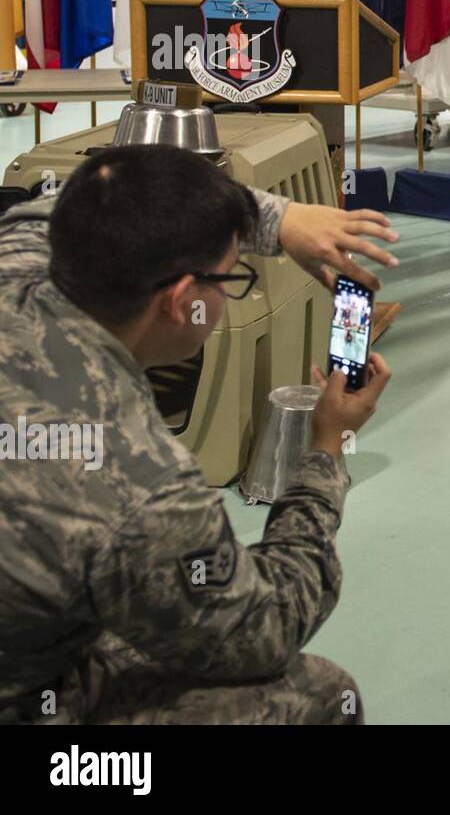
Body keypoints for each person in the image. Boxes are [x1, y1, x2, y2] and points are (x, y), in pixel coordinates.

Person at [0, 145, 399, 723]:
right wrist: (326, 448)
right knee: (317, 696)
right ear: (183, 302)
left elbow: (64, 203)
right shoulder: (139, 482)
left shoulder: (20, 253)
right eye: (232, 275)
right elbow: (266, 624)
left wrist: (280, 220)